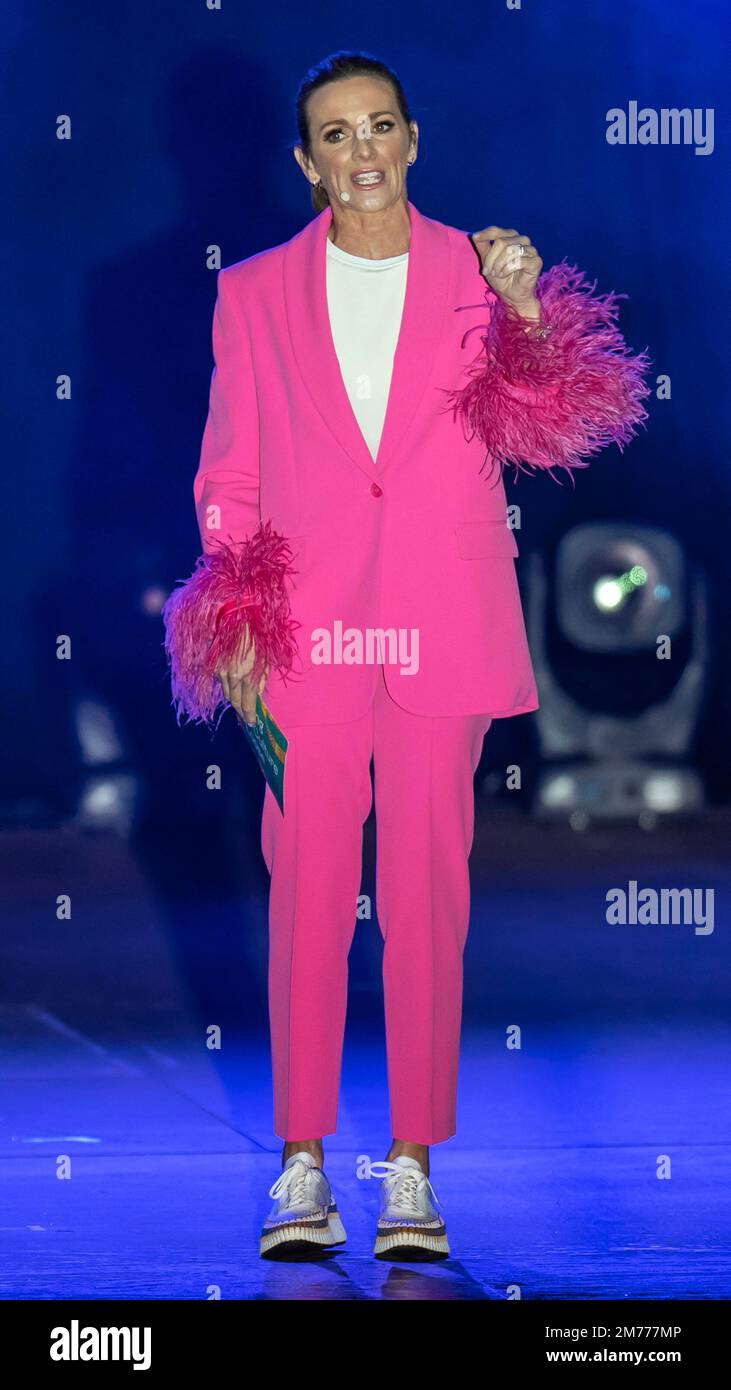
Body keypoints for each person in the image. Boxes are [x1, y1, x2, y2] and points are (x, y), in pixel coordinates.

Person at [163, 50, 650, 1261]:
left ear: (412, 140)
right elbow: (228, 468)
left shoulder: (475, 277)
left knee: (427, 900)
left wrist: (529, 307)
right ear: (305, 160)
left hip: (442, 620)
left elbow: (548, 429)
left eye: (379, 126)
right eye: (334, 134)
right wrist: (232, 604)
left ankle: (413, 1170)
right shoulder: (256, 292)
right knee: (308, 900)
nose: (360, 149)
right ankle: (299, 1163)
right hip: (306, 638)